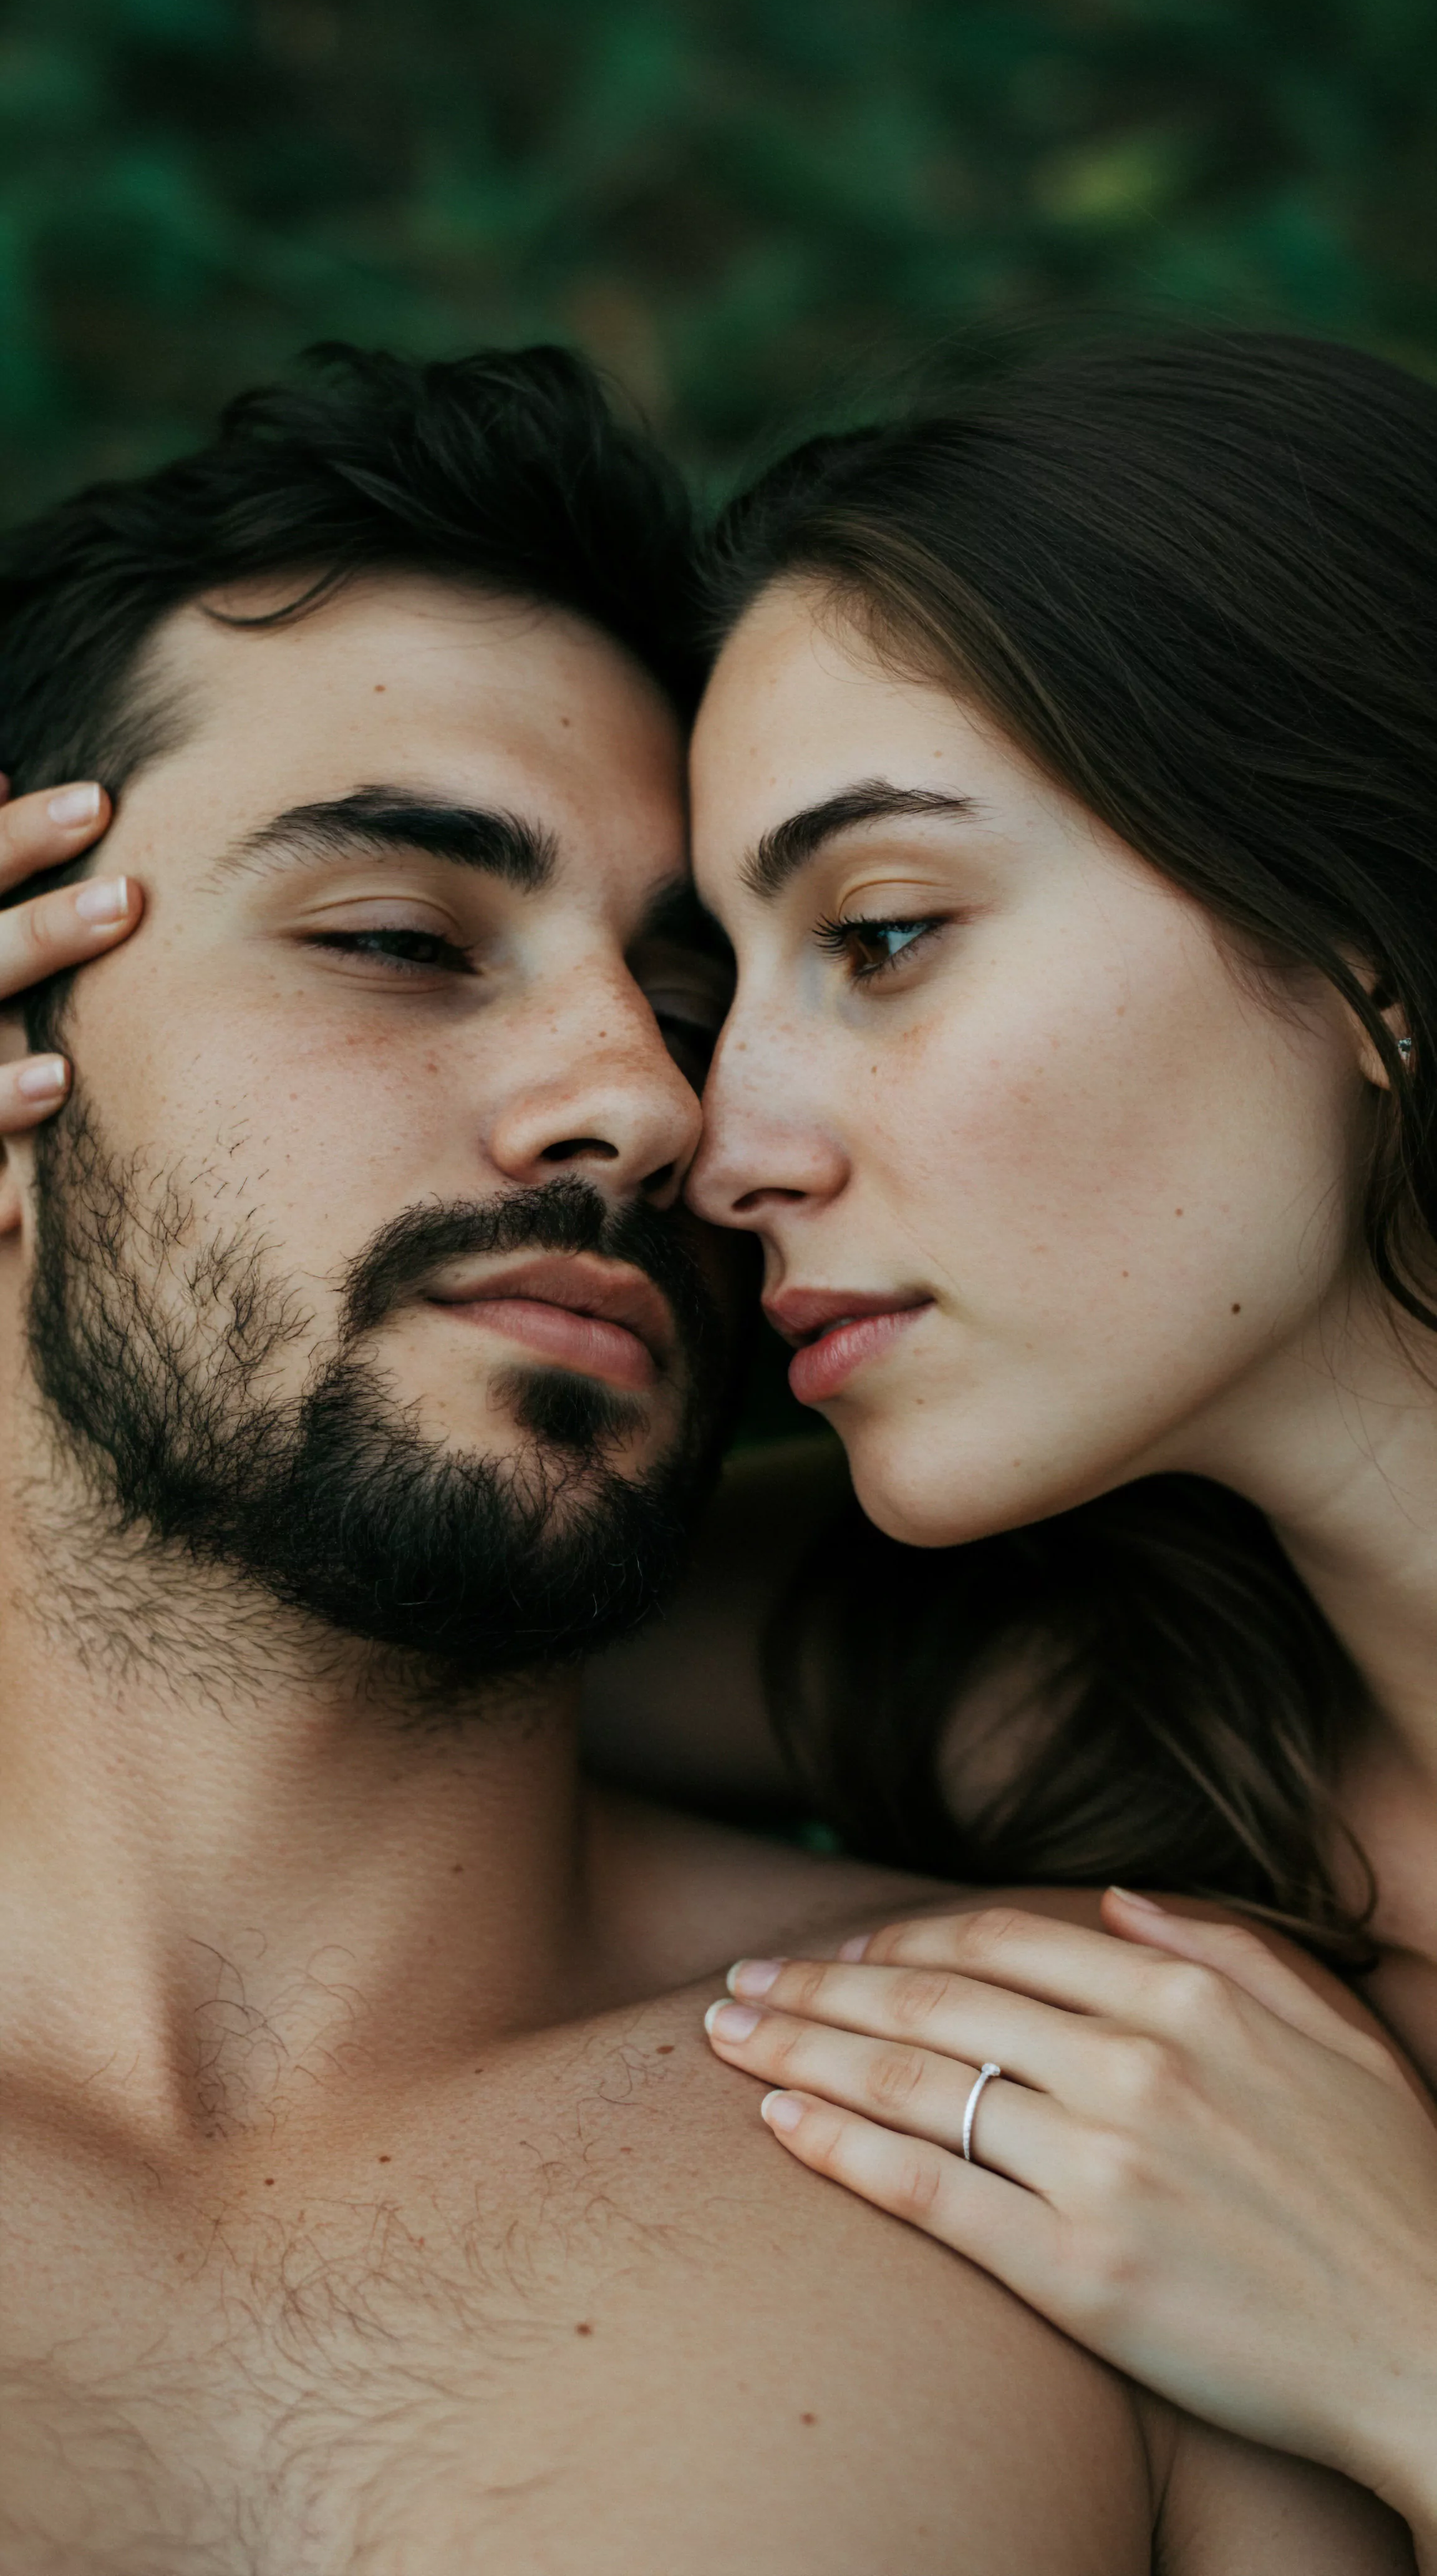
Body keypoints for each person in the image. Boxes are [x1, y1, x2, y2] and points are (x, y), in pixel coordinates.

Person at [4, 342, 1404, 2573]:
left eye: (840, 954)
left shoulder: (1130, 2150)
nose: (671, 1116)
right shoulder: (1123, 1904)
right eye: (397, 940)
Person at [671, 330, 1437, 2558]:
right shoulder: (1085, 1694)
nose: (728, 1150)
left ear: (1368, 940)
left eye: (884, 937)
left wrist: (1407, 2345)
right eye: (722, 1003)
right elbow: (199, 1640)